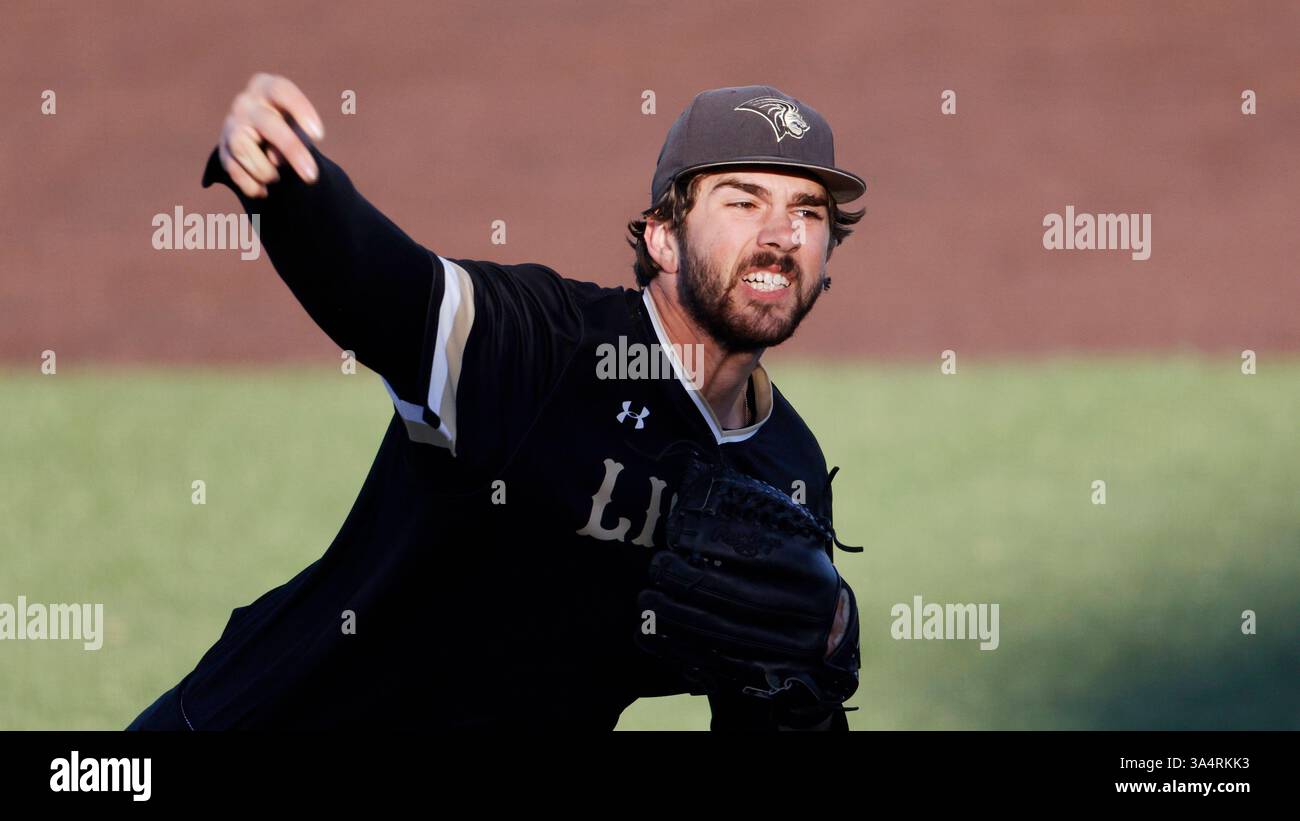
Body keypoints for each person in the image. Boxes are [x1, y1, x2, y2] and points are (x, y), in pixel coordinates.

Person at [127, 74, 867, 730]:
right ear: (664, 236)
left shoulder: (784, 474)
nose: (781, 235)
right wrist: (283, 178)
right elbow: (377, 287)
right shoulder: (544, 347)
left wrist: (814, 675)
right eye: (744, 201)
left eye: (807, 212)